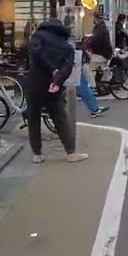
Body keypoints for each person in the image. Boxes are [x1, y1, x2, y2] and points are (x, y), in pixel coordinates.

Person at [24, 18, 88, 164]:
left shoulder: (37, 36)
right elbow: (67, 67)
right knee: (60, 117)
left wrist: (49, 68)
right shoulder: (67, 46)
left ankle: (37, 154)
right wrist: (57, 79)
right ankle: (71, 152)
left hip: (34, 83)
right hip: (53, 86)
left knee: (33, 118)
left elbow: (35, 53)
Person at [85, 11, 113, 84]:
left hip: (101, 54)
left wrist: (89, 43)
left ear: (96, 19)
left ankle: (94, 86)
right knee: (99, 69)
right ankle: (100, 84)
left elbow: (96, 40)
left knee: (90, 69)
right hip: (105, 53)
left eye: (94, 18)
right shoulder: (102, 27)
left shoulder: (99, 28)